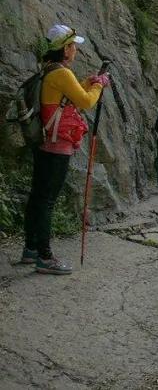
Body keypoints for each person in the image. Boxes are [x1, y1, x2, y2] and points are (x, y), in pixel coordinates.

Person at [21, 24, 110, 275]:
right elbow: (85, 101)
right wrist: (99, 85)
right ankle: (45, 257)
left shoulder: (50, 70)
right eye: (73, 46)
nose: (76, 50)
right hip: (57, 146)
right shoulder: (62, 73)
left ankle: (30, 249)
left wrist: (88, 82)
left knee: (38, 196)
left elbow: (66, 96)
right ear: (65, 48)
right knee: (47, 201)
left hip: (43, 142)